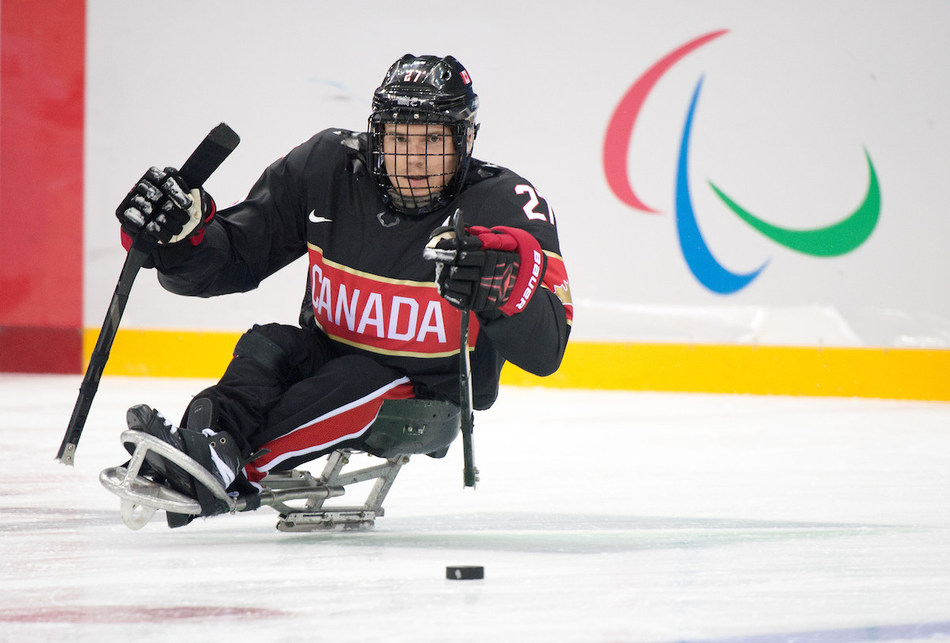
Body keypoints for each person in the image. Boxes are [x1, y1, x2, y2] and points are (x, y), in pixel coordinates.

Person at [115, 54, 573, 524]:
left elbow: (548, 351)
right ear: (376, 135)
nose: (413, 159)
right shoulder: (326, 167)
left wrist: (506, 293)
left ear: (466, 139)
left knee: (354, 381)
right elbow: (236, 256)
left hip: (425, 392)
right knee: (269, 346)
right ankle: (202, 443)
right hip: (327, 354)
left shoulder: (507, 205)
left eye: (433, 139)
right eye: (398, 138)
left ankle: (224, 469)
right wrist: (180, 241)